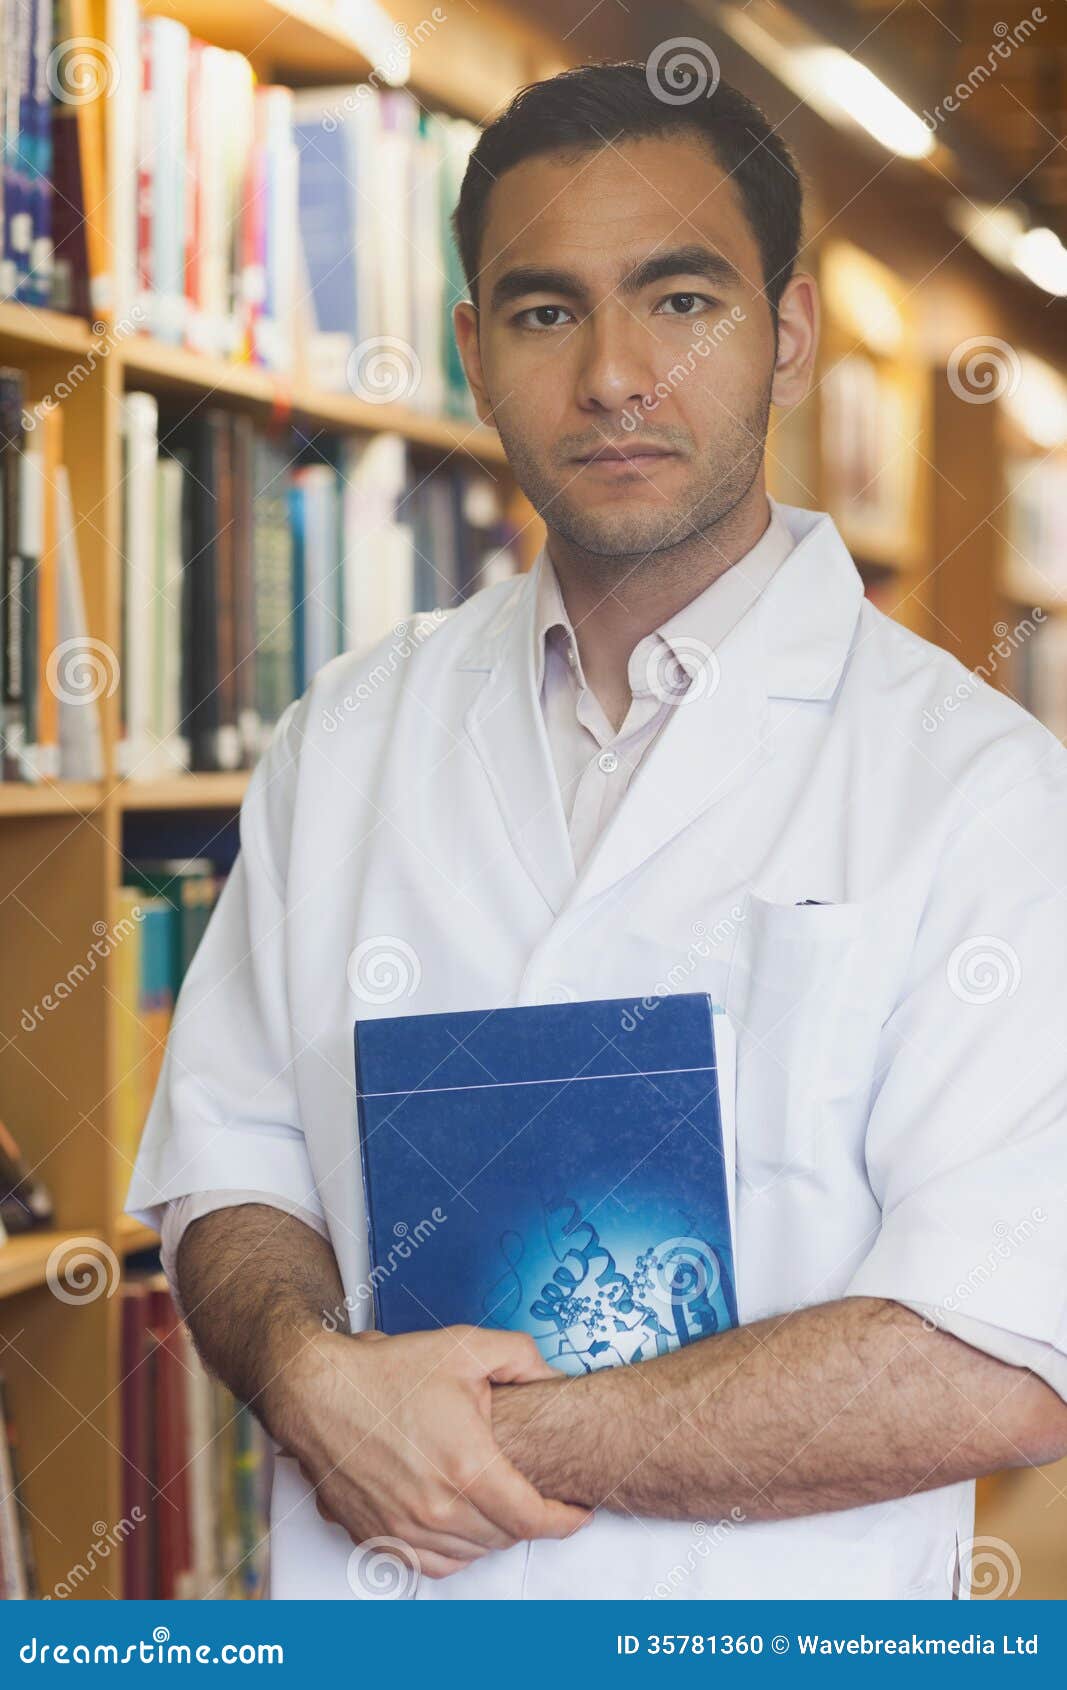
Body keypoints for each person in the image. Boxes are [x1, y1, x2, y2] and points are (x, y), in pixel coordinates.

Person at [127, 61, 1067, 1601]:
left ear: (792, 333)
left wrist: (470, 1439)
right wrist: (303, 1370)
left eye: (682, 300)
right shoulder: (343, 743)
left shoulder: (983, 790)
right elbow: (230, 1173)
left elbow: (1002, 1351)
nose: (615, 373)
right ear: (472, 353)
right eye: (545, 309)